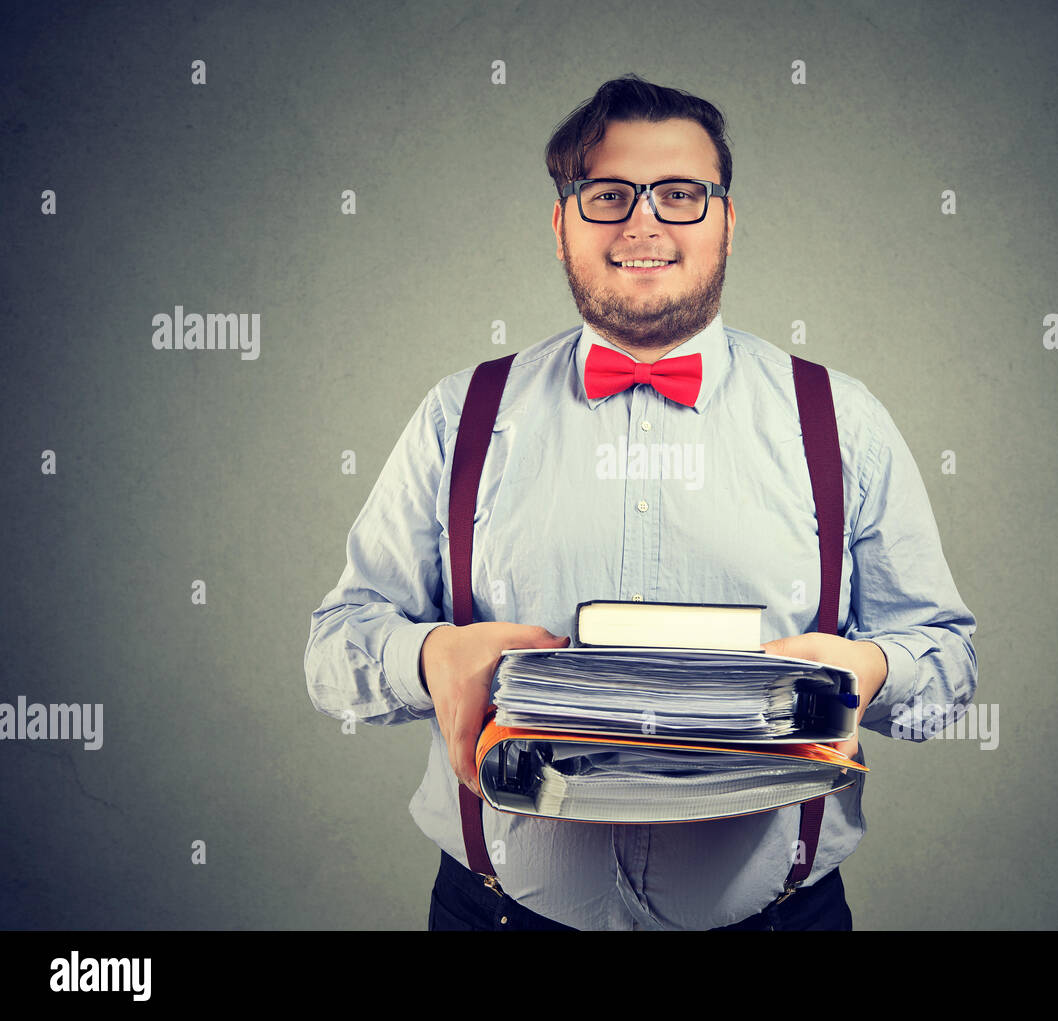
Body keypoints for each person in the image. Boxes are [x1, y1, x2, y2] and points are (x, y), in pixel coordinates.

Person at [304, 74, 977, 931]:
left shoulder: (844, 420)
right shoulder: (458, 415)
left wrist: (869, 672)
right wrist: (430, 654)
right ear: (561, 227)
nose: (644, 222)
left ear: (728, 221)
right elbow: (334, 650)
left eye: (681, 194)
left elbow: (946, 666)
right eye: (609, 194)